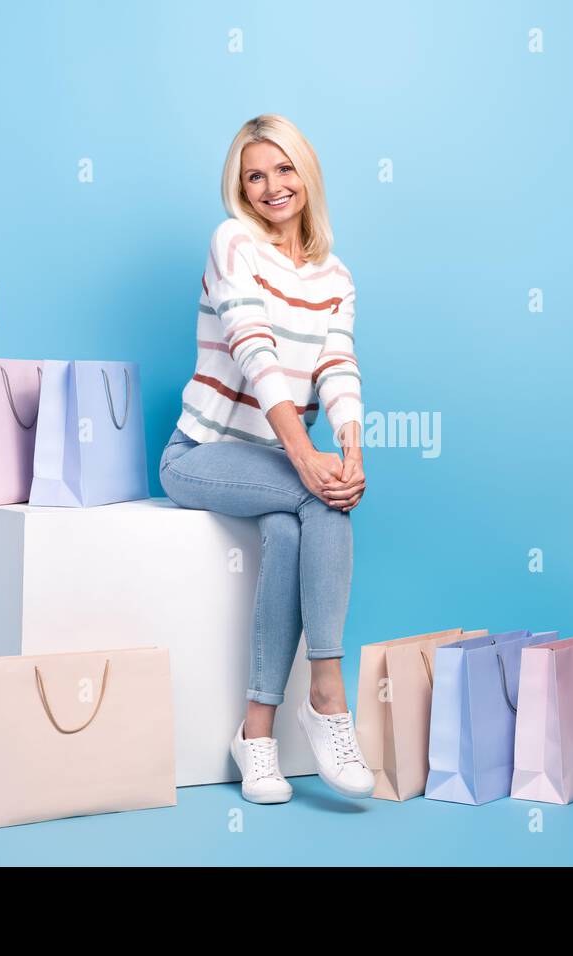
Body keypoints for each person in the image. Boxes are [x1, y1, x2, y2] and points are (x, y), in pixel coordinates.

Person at [159, 114, 373, 804]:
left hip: (279, 465)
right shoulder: (233, 243)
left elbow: (338, 365)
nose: (271, 187)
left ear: (305, 176)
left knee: (296, 520)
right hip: (200, 454)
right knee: (319, 495)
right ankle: (328, 695)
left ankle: (256, 736)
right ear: (240, 187)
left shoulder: (336, 275)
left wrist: (349, 445)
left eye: (283, 170)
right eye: (255, 175)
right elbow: (253, 350)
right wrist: (306, 455)